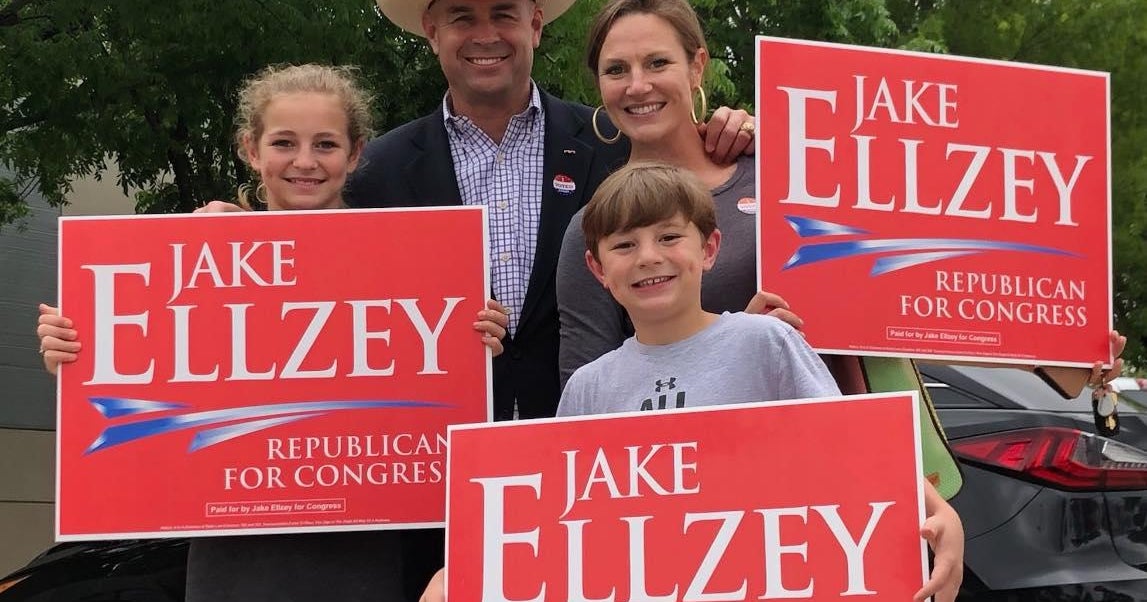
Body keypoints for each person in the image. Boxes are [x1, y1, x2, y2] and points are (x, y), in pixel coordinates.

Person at [37, 63, 509, 602]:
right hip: (231, 559)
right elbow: (128, 392)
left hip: (361, 554)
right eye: (284, 142)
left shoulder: (415, 273)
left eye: (325, 144)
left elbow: (443, 398)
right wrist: (76, 350)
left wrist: (471, 341)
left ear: (355, 154)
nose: (304, 162)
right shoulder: (191, 260)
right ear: (251, 149)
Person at [556, 0, 1125, 389]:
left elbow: (908, 297)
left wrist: (1062, 345)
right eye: (616, 69)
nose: (638, 85)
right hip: (704, 478)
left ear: (697, 66)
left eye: (658, 62)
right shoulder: (596, 230)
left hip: (845, 456)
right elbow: (588, 399)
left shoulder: (786, 171)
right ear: (598, 85)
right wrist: (740, 343)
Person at [562, 162, 965, 602]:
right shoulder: (588, 389)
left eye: (669, 237)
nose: (647, 257)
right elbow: (567, 520)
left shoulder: (766, 341)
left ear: (710, 248)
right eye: (624, 244)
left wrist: (939, 510)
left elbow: (854, 442)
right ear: (597, 268)